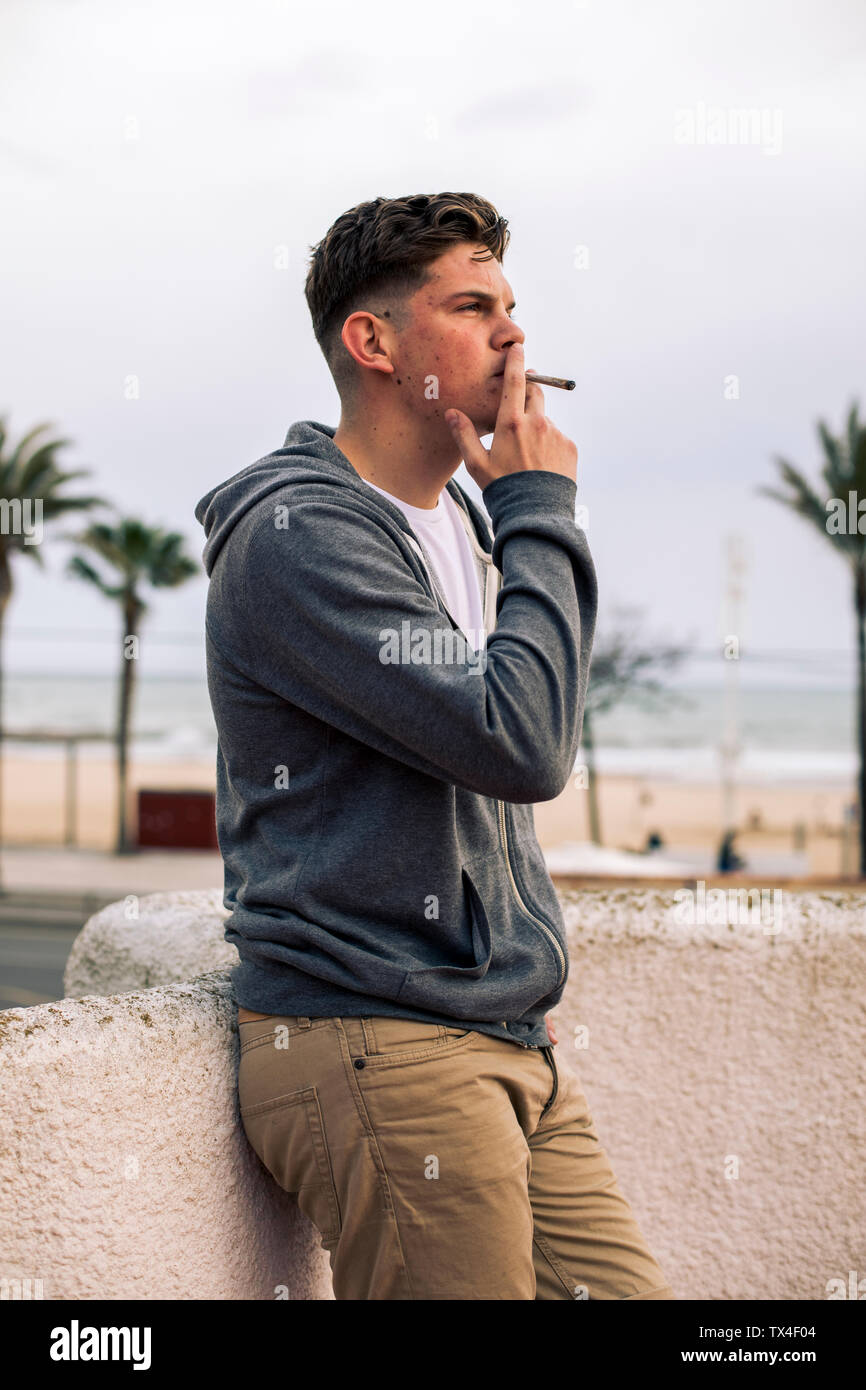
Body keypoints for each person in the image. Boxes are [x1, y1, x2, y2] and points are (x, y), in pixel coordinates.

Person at [195, 192, 675, 1300]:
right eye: (471, 306)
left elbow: (500, 746)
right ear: (373, 342)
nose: (513, 335)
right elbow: (520, 741)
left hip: (505, 1037)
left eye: (512, 305)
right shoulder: (298, 534)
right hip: (384, 1044)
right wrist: (543, 506)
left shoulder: (462, 518)